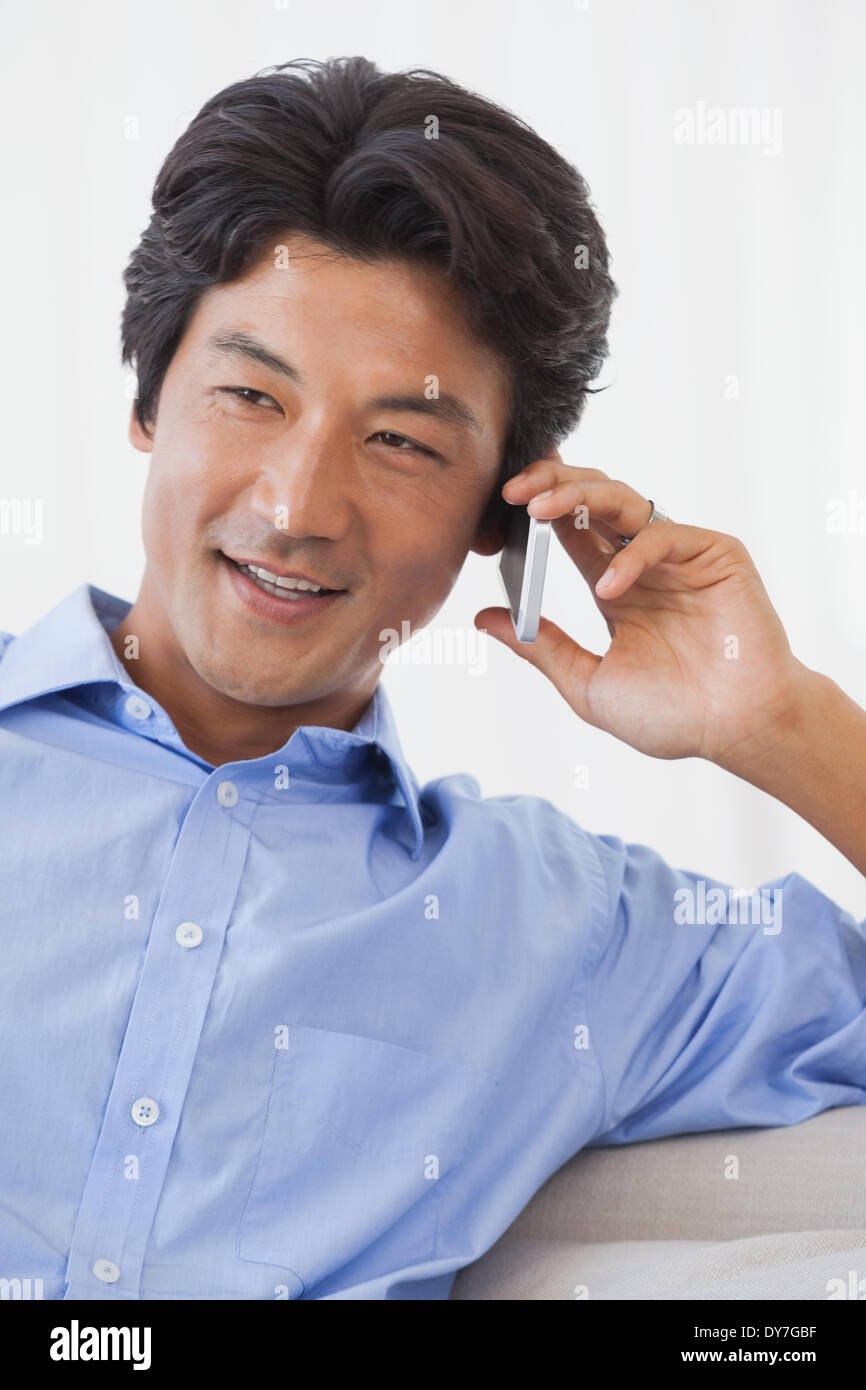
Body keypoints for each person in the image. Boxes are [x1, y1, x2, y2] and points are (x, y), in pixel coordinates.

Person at [1, 56, 864, 1303]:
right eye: (250, 394)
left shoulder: (565, 933)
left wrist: (779, 722)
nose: (297, 508)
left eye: (400, 441)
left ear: (495, 520)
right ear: (149, 397)